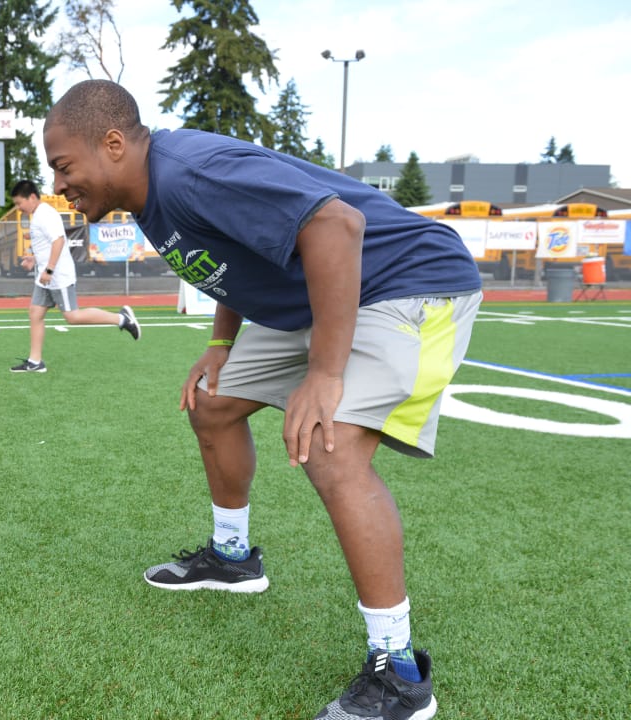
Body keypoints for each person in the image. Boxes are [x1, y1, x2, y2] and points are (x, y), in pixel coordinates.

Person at [43, 80, 483, 720]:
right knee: (212, 403)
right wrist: (222, 344)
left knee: (329, 448)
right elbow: (236, 258)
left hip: (406, 282)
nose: (60, 185)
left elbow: (337, 224)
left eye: (64, 166)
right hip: (321, 295)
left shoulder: (190, 172)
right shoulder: (144, 192)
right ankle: (233, 559)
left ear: (112, 144)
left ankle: (401, 674)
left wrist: (326, 375)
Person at [8, 180, 140, 373]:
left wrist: (50, 269)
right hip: (45, 277)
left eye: (19, 203)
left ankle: (122, 319)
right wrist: (35, 259)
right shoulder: (37, 215)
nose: (18, 208)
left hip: (57, 276)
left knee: (73, 316)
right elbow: (48, 245)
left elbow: (59, 241)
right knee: (35, 313)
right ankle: (35, 362)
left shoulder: (45, 215)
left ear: (32, 197)